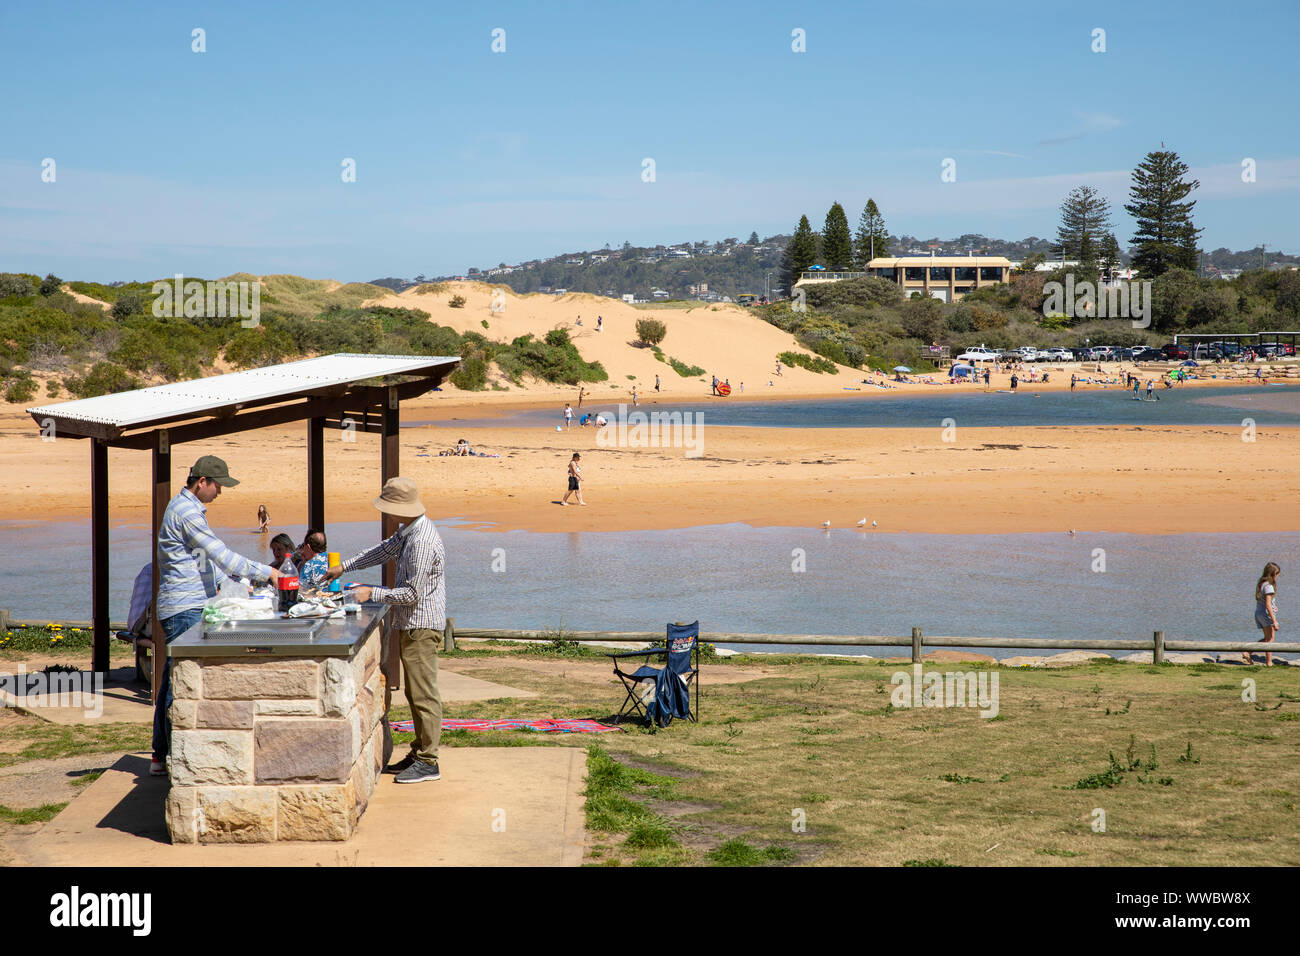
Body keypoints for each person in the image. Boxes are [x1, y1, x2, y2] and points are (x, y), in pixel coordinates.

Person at [152, 456, 279, 776]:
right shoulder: (186, 513)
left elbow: (204, 563)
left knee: (171, 682)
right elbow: (220, 554)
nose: (220, 492)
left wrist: (232, 585)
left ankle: (160, 755)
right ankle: (175, 760)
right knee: (182, 686)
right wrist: (268, 573)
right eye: (217, 485)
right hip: (185, 608)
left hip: (186, 604)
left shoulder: (186, 509)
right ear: (201, 481)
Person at [326, 477, 445, 782]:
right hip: (410, 623)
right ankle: (419, 753)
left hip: (421, 624)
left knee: (423, 694)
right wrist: (345, 567)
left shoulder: (422, 541)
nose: (387, 514)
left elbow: (412, 594)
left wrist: (371, 593)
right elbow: (382, 551)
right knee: (414, 691)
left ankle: (429, 761)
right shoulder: (408, 530)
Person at [1246, 562, 1281, 666]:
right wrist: (1274, 621)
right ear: (1273, 574)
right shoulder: (1269, 586)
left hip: (1259, 613)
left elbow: (1266, 602)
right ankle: (1269, 662)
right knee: (1270, 639)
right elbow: (1268, 604)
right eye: (1277, 574)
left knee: (1267, 638)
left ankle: (1248, 651)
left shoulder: (1262, 583)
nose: (1278, 577)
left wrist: (1274, 606)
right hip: (1266, 615)